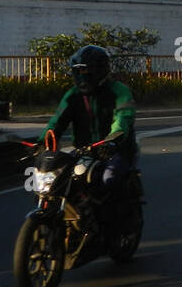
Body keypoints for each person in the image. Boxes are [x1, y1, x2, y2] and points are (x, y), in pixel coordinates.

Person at [39, 45, 138, 217]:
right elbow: (56, 122)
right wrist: (41, 142)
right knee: (58, 180)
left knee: (109, 178)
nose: (83, 77)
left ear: (101, 71)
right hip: (83, 151)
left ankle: (118, 222)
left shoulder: (119, 91)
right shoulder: (73, 94)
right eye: (79, 72)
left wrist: (112, 141)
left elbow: (123, 119)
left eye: (87, 72)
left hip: (116, 150)